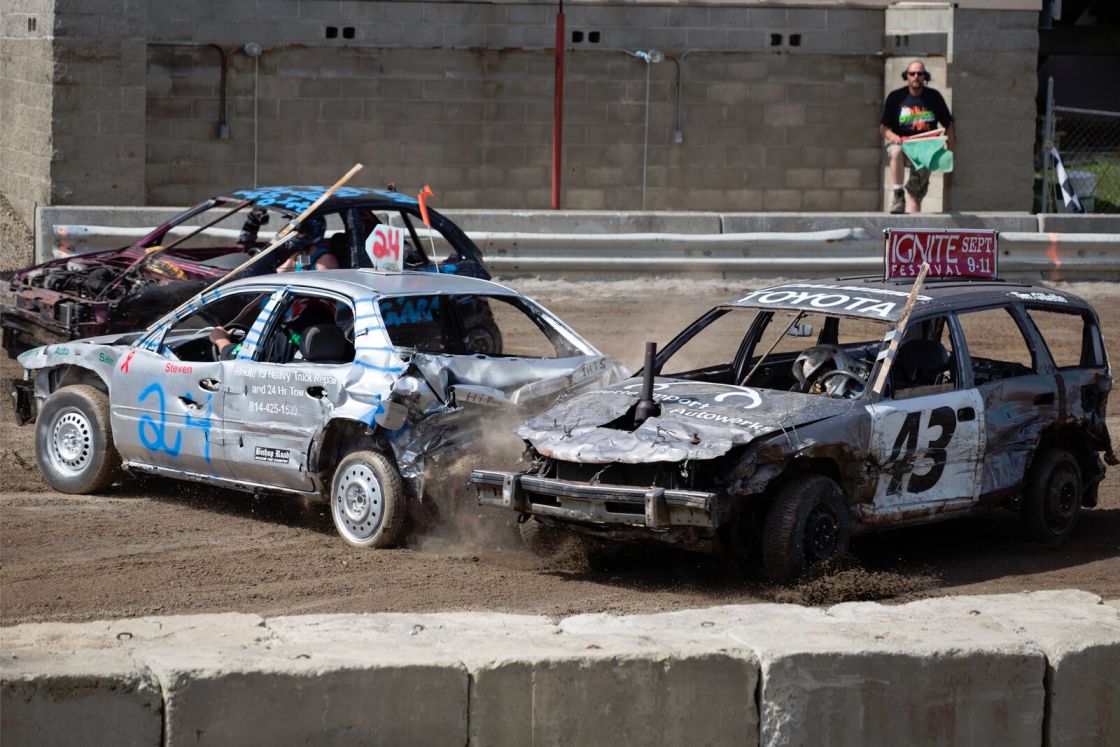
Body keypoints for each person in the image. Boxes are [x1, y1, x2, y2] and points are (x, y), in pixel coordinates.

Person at [879, 60, 955, 214]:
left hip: (926, 150)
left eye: (919, 73)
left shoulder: (934, 97)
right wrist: (893, 137)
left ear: (925, 76)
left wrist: (950, 152)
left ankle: (912, 225)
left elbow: (948, 126)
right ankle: (898, 195)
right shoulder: (895, 97)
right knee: (895, 151)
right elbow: (884, 128)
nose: (916, 76)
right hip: (904, 145)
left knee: (915, 197)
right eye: (912, 73)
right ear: (906, 76)